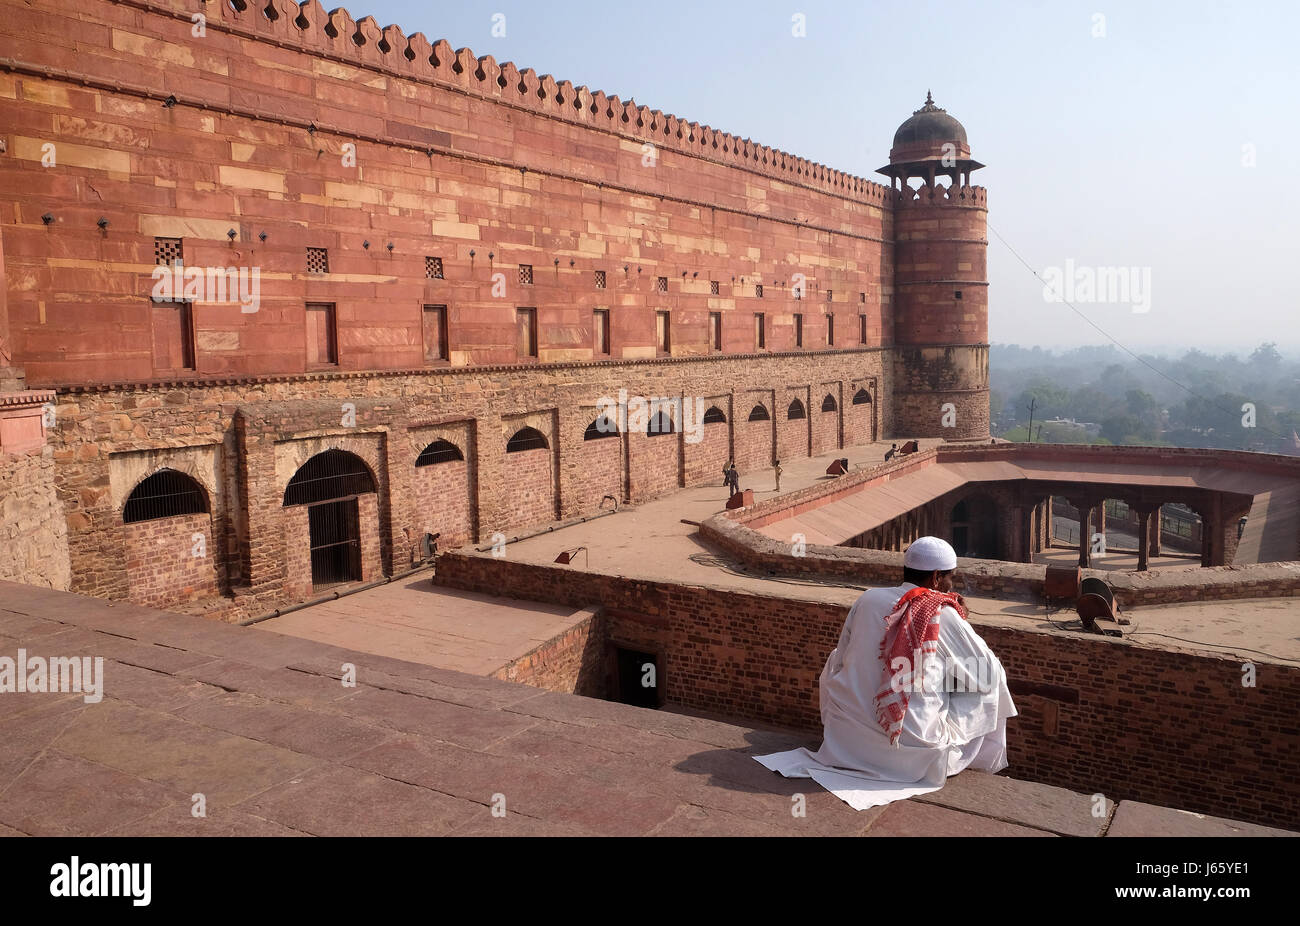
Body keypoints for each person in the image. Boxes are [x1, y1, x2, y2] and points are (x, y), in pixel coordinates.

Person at [755, 536, 1017, 811]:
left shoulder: (868, 599)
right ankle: (980, 760)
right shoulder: (943, 614)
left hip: (847, 743)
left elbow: (842, 657)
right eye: (951, 579)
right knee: (993, 683)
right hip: (909, 759)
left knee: (837, 660)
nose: (952, 586)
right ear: (938, 578)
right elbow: (986, 675)